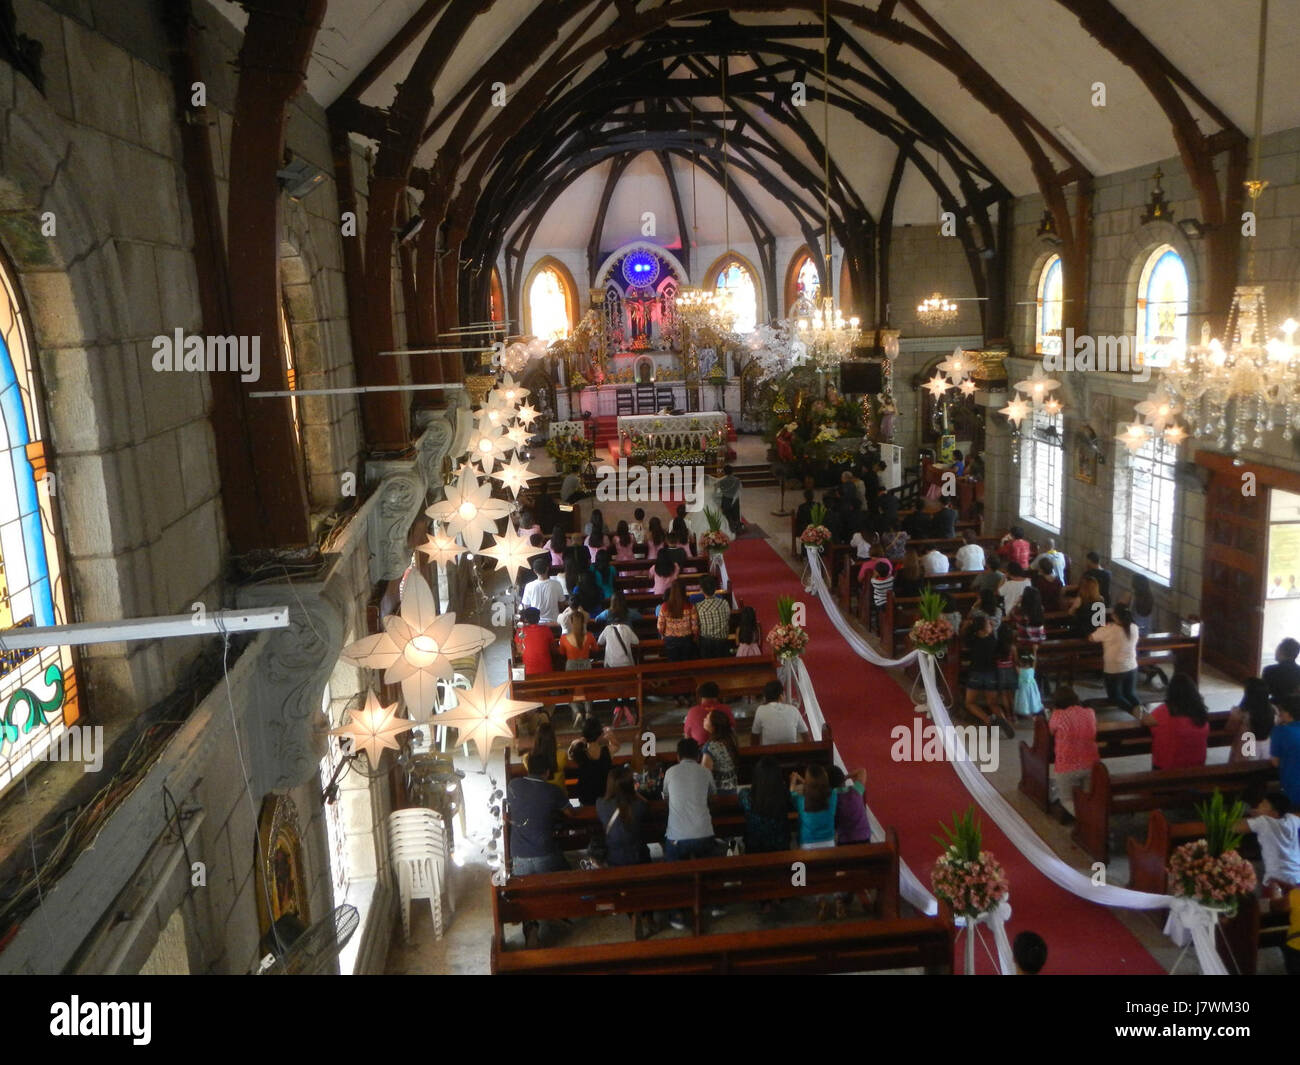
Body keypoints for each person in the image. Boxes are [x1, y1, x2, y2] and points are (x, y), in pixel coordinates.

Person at [663, 738, 717, 928]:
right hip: (705, 835)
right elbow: (713, 795)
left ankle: (676, 913)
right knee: (711, 861)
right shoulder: (705, 772)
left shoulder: (670, 772)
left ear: (677, 757)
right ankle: (713, 903)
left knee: (672, 872)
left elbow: (665, 797)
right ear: (698, 756)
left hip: (677, 840)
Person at [506, 749, 570, 898]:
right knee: (568, 872)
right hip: (545, 853)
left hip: (519, 856)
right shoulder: (553, 790)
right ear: (547, 772)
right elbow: (570, 813)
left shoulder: (513, 785)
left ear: (528, 768)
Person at [790, 763, 840, 919]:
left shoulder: (801, 800)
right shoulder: (832, 796)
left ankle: (820, 899)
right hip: (829, 844)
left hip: (807, 846)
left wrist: (795, 780)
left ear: (808, 783)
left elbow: (791, 792)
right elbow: (820, 789)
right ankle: (836, 898)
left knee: (804, 867)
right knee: (828, 870)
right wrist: (808, 783)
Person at [1139, 672, 1209, 770]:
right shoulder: (1201, 712)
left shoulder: (1164, 711)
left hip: (1166, 768)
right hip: (1197, 768)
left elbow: (1145, 721)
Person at [1046, 685, 1097, 816]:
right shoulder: (1089, 712)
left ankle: (1087, 821)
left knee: (1067, 800)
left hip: (1067, 766)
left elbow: (1050, 731)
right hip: (1092, 764)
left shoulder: (1058, 715)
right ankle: (1092, 819)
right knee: (1088, 798)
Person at [962, 612, 1014, 738]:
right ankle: (1005, 721)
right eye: (988, 623)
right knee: (993, 703)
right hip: (991, 674)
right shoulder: (993, 640)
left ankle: (987, 719)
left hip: (975, 674)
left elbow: (964, 633)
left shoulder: (972, 641)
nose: (991, 624)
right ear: (985, 628)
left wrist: (969, 624)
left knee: (969, 703)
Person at [1090, 603, 1141, 713]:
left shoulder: (1109, 629)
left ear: (1115, 616)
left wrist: (1103, 628)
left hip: (1114, 669)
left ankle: (1134, 712)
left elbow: (1091, 638)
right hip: (1131, 666)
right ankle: (1142, 711)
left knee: (1115, 697)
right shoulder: (1134, 627)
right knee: (1130, 694)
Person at [596, 765, 650, 867]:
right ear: (631, 785)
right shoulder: (639, 805)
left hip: (614, 858)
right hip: (638, 857)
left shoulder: (600, 804)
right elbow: (646, 802)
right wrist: (634, 793)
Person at [1245, 792, 1300, 892]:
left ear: (1274, 813)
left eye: (1264, 804)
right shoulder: (1293, 819)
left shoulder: (1262, 822)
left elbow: (1234, 826)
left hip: (1276, 882)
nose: (1259, 805)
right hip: (1297, 879)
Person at [740, 757, 794, 857]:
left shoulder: (746, 796)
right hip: (781, 848)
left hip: (754, 850)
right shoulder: (784, 794)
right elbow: (791, 801)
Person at [559, 608, 599, 723]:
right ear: (584, 623)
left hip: (571, 666)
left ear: (571, 622)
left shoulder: (564, 638)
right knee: (586, 689)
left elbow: (561, 652)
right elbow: (596, 649)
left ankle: (577, 711)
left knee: (571, 691)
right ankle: (588, 711)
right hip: (586, 665)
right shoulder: (590, 636)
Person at [568, 715, 614, 806]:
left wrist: (576, 742)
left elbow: (570, 754)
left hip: (585, 798)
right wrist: (610, 736)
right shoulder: (607, 751)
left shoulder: (579, 752)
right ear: (600, 734)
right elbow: (617, 745)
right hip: (604, 797)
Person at [1229, 677, 1276, 759]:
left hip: (1247, 745)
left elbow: (1230, 729)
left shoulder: (1241, 713)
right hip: (1267, 746)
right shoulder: (1274, 710)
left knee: (1244, 766)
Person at [751, 679, 808, 745]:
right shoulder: (794, 710)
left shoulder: (760, 710)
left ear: (765, 697)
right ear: (781, 696)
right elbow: (805, 735)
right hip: (791, 753)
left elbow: (754, 737)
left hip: (770, 754)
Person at [656, 581, 699, 661]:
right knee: (686, 662)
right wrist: (695, 637)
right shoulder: (690, 606)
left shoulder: (665, 606)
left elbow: (660, 626)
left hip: (670, 639)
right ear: (684, 592)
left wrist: (663, 635)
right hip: (686, 639)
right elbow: (695, 626)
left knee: (673, 663)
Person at [700, 709, 740, 793]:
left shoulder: (710, 747)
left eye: (707, 718)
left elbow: (705, 776)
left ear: (713, 726)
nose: (704, 719)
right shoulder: (730, 738)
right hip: (733, 789)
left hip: (719, 794)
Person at [830, 765, 871, 845]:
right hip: (865, 838)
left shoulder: (832, 798)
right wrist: (845, 777)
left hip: (845, 841)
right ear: (843, 781)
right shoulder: (856, 790)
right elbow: (862, 770)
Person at [522, 718, 567, 790]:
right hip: (559, 794)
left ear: (536, 739)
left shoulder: (527, 758)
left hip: (539, 794)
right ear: (553, 738)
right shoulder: (562, 755)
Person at [694, 573, 732, 659]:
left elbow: (697, 624)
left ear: (702, 590)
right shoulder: (724, 603)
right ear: (715, 588)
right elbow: (728, 618)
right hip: (723, 642)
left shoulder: (698, 606)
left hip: (706, 644)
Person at [1272, 696, 1300, 806]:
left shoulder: (1281, 731)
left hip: (1294, 789)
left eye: (1282, 710)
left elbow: (1275, 762)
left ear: (1288, 713)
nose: (1279, 713)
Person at [521, 555, 566, 624]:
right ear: (547, 568)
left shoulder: (529, 586)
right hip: (554, 623)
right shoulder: (557, 584)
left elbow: (526, 606)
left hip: (536, 623)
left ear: (535, 571)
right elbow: (562, 604)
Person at [597, 601, 640, 668]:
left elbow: (599, 642)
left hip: (611, 665)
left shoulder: (607, 629)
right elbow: (636, 641)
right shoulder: (627, 628)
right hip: (626, 664)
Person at [516, 606, 555, 677]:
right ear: (539, 618)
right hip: (547, 671)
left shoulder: (520, 631)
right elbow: (553, 648)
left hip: (528, 673)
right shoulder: (546, 630)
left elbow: (519, 651)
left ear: (526, 619)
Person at [1014, 648, 1044, 718]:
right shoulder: (1032, 669)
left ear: (1021, 662)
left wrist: (1015, 652)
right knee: (1032, 698)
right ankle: (1033, 710)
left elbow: (1015, 663)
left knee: (1024, 700)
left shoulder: (1019, 670)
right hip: (1031, 688)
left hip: (1023, 688)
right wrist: (1035, 650)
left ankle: (1026, 712)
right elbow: (1035, 660)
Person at [717, 464, 743, 530]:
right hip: (735, 499)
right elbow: (739, 489)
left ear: (724, 472)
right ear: (732, 471)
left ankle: (728, 528)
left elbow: (720, 490)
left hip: (726, 500)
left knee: (727, 515)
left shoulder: (721, 480)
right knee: (735, 514)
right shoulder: (737, 480)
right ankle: (737, 526)